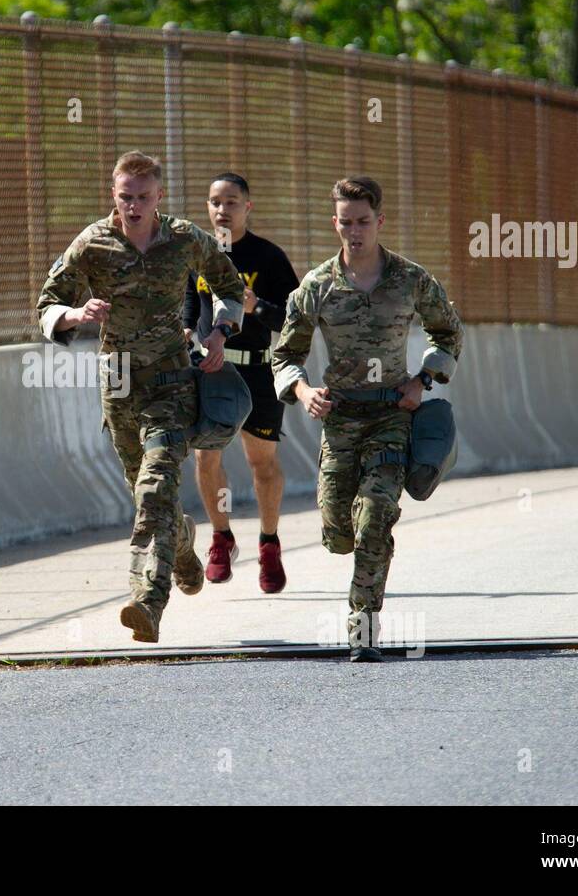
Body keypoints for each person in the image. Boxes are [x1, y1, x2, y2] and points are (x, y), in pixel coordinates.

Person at [36, 151, 246, 644]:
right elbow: (47, 304)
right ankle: (184, 548)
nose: (134, 206)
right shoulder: (92, 244)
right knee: (146, 493)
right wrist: (76, 314)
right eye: (126, 197)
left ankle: (147, 602)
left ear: (159, 197)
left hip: (171, 381)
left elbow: (228, 285)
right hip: (119, 384)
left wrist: (218, 332)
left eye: (143, 197)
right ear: (115, 195)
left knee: (154, 490)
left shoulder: (183, 238)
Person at [272, 176, 463, 662]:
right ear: (334, 222)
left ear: (379, 221)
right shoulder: (316, 287)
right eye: (345, 222)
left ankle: (363, 628)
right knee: (339, 532)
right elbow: (285, 354)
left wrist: (423, 381)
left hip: (392, 413)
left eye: (363, 222)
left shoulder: (410, 280)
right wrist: (302, 388)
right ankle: (351, 537)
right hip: (340, 418)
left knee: (376, 515)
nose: (354, 232)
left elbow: (448, 332)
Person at [182, 173, 300, 592]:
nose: (222, 210)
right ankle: (221, 538)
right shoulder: (198, 254)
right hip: (210, 371)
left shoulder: (267, 257)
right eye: (215, 202)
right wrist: (184, 334)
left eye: (231, 202)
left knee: (261, 464)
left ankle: (268, 544)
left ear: (246, 207)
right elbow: (189, 305)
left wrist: (257, 307)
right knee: (206, 458)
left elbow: (293, 318)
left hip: (256, 371)